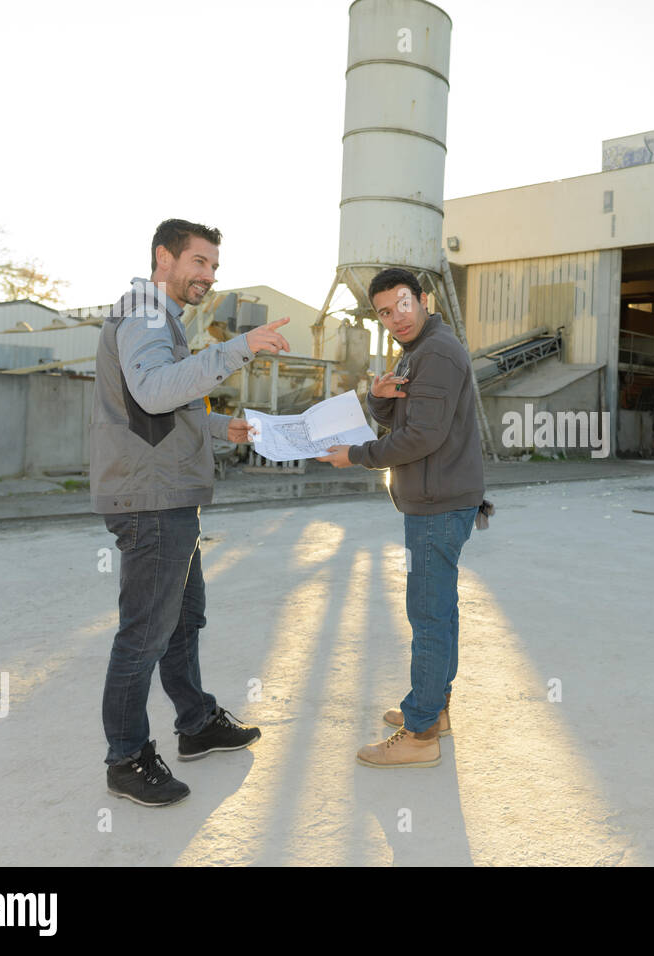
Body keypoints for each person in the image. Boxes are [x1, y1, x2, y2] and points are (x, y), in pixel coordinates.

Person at [92, 218, 291, 806]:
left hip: (167, 494)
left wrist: (214, 426)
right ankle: (126, 757)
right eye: (199, 262)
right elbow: (154, 391)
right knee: (145, 633)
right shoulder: (146, 312)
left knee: (182, 618)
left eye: (213, 267)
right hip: (150, 499)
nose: (207, 276)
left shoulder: (159, 316)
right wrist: (238, 349)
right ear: (164, 257)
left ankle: (196, 723)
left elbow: (151, 405)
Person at [319, 267, 484, 769]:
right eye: (386, 312)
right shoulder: (418, 351)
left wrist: (358, 455)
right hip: (439, 498)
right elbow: (406, 419)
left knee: (429, 615)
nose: (396, 318)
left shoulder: (435, 352)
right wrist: (378, 398)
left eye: (403, 304)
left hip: (437, 503)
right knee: (441, 609)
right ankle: (435, 708)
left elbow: (422, 438)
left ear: (425, 299)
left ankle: (420, 732)